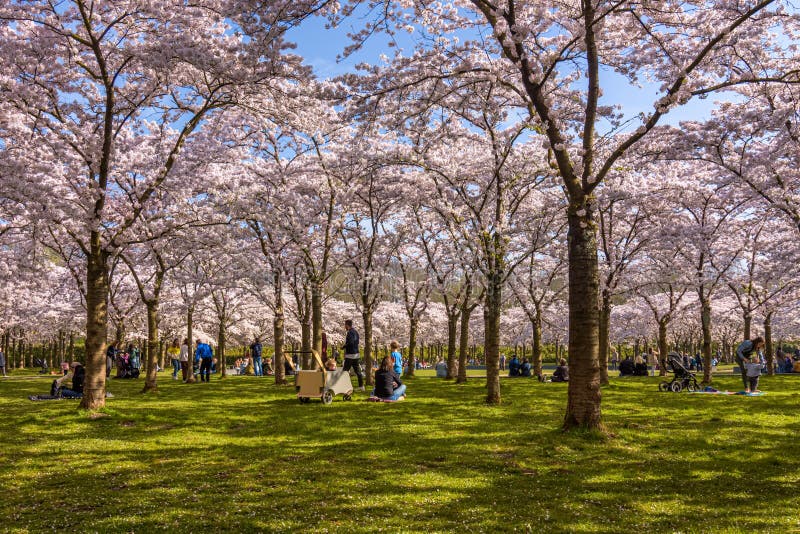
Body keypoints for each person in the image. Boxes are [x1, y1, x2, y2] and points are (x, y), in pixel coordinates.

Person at [343, 320, 364, 391]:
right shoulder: (356, 332)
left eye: (345, 325)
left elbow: (351, 342)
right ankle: (361, 386)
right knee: (358, 371)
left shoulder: (350, 332)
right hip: (356, 354)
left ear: (347, 325)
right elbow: (356, 342)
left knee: (345, 371)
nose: (344, 326)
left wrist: (344, 346)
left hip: (350, 355)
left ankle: (344, 386)